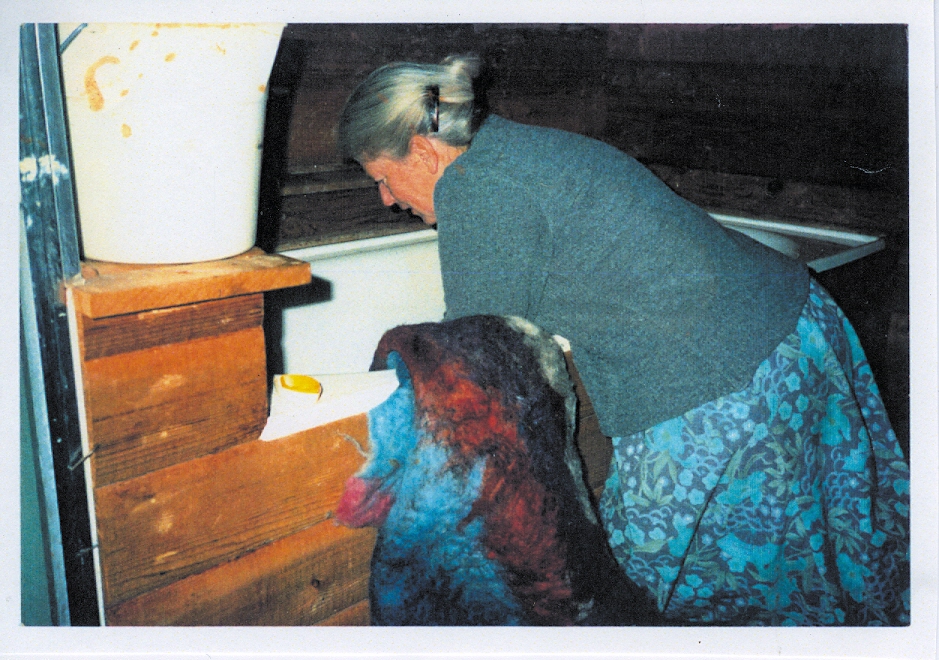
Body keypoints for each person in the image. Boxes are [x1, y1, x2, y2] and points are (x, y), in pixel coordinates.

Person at [336, 53, 910, 626]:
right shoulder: (514, 148)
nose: (387, 199)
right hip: (800, 327)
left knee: (648, 595)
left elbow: (472, 360)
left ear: (424, 151)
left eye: (383, 178)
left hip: (722, 381)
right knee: (822, 560)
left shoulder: (475, 187)